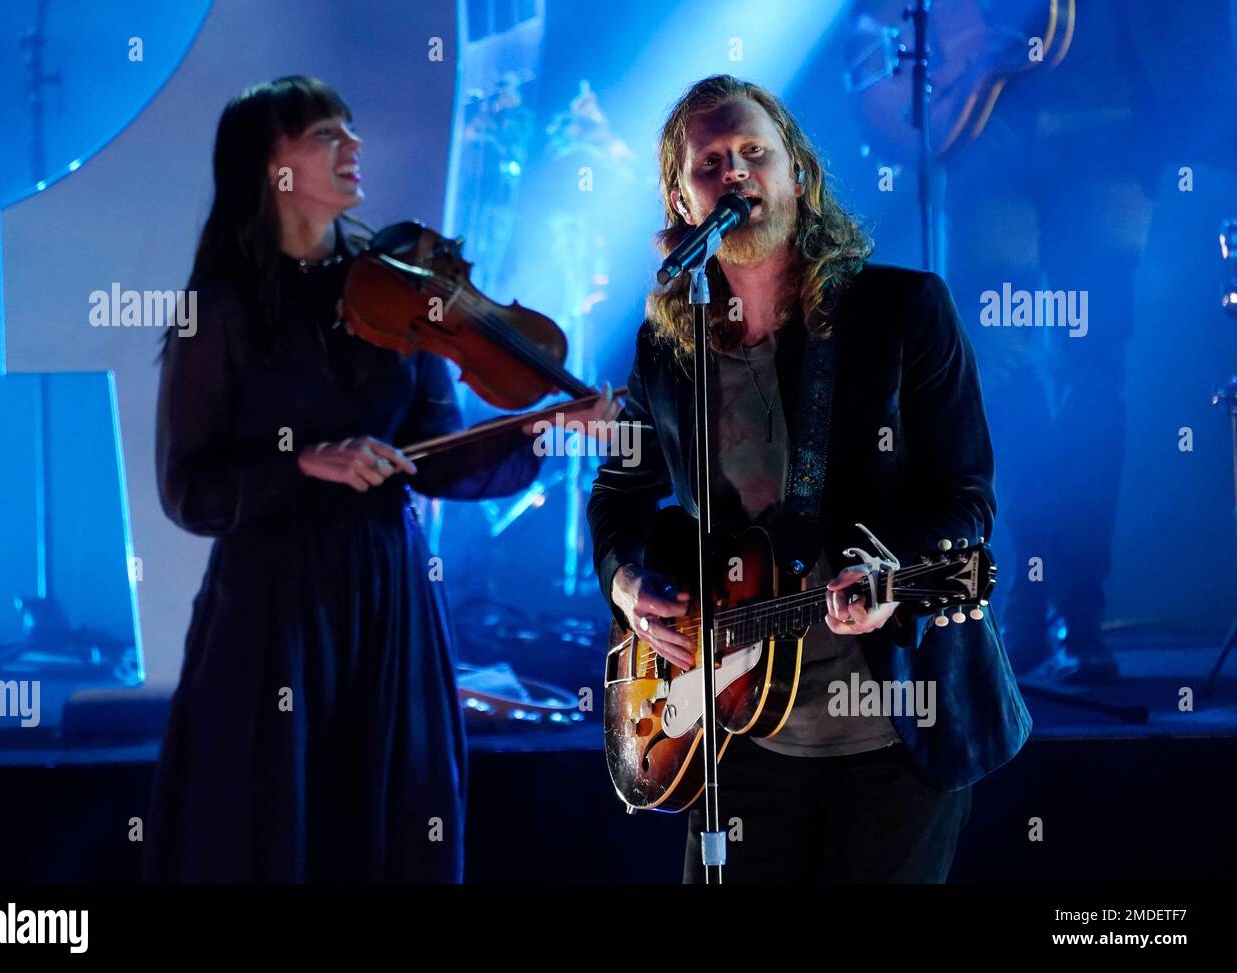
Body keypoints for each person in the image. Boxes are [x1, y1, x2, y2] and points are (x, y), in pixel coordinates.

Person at [144, 76, 618, 883]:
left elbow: (436, 457)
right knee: (269, 822)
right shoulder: (219, 308)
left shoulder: (397, 289)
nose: (353, 147)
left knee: (395, 819)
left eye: (350, 127)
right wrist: (301, 462)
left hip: (388, 589)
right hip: (274, 606)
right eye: (326, 133)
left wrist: (542, 422)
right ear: (271, 166)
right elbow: (187, 487)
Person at [587, 75, 1031, 883]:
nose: (737, 174)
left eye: (756, 153)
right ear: (682, 202)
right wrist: (625, 585)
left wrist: (892, 572)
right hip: (736, 732)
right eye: (711, 163)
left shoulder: (902, 311)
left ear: (799, 175)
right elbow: (618, 491)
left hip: (894, 730)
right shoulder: (665, 348)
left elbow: (966, 496)